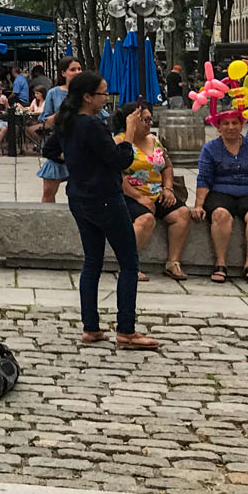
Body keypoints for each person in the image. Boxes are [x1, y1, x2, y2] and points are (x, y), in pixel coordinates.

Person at [43, 71, 158, 349]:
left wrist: (77, 161)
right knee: (129, 262)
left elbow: (50, 150)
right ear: (87, 97)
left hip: (78, 196)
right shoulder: (91, 124)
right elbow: (119, 160)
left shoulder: (66, 121)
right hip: (104, 197)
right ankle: (126, 330)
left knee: (92, 260)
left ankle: (91, 327)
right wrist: (128, 135)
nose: (106, 98)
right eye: (103, 94)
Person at [192, 107, 248, 285]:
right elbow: (204, 179)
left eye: (235, 123)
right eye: (226, 124)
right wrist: (199, 204)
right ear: (218, 127)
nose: (231, 127)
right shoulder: (210, 148)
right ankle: (221, 262)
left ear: (242, 125)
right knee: (220, 215)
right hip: (220, 192)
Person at [112, 101, 190, 282]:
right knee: (145, 219)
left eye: (150, 119)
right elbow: (116, 174)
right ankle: (128, 264)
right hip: (129, 193)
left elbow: (167, 167)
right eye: (145, 120)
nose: (150, 123)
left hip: (157, 191)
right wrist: (139, 197)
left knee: (182, 213)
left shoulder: (154, 140)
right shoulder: (119, 142)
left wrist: (168, 188)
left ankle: (173, 261)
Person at [37, 57, 83, 203]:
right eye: (73, 69)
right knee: (49, 191)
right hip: (60, 146)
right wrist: (63, 112)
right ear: (63, 73)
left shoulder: (87, 93)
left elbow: (100, 116)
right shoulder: (54, 93)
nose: (77, 72)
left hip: (82, 145)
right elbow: (46, 122)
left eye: (79, 69)